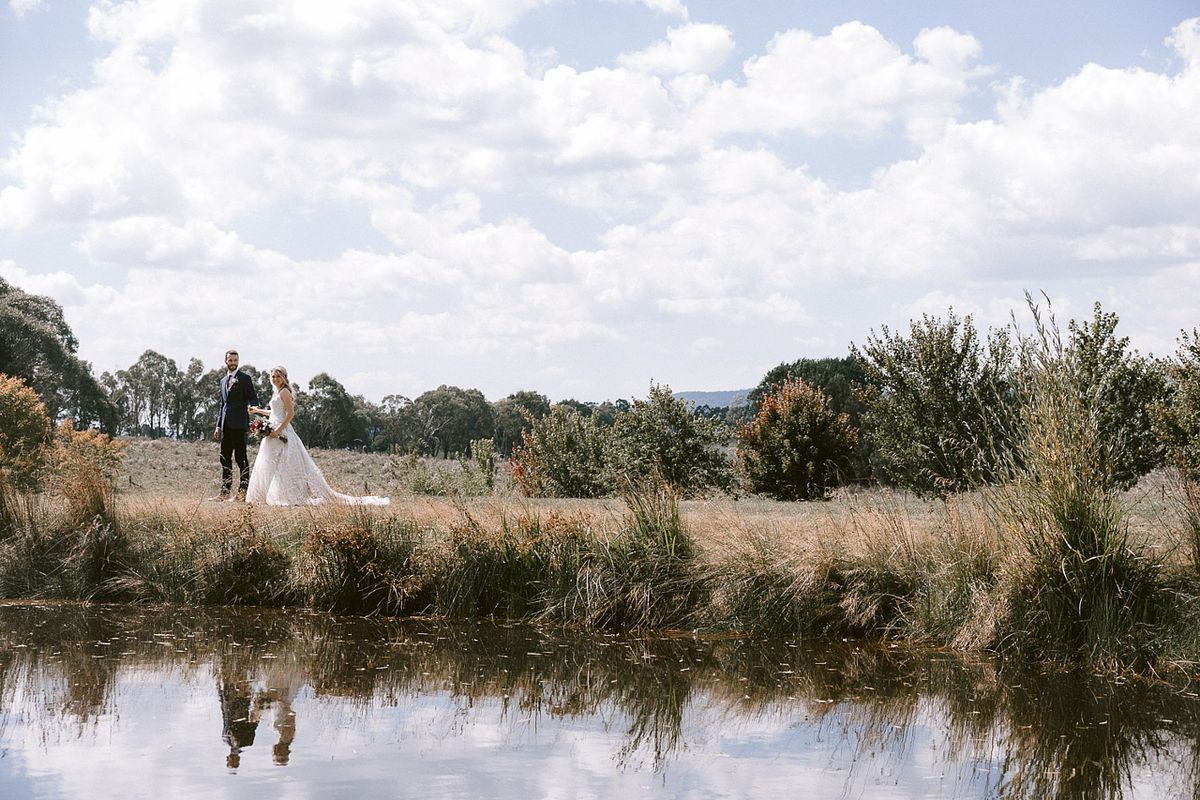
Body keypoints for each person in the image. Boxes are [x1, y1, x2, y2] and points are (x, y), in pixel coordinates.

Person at [245, 366, 389, 506]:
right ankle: (263, 496)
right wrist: (258, 411)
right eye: (273, 376)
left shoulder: (285, 392)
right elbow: (275, 413)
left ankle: (289, 495)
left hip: (281, 432)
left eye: (278, 376)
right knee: (269, 463)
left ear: (284, 378)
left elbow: (290, 414)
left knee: (284, 463)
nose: (275, 379)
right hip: (272, 431)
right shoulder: (276, 393)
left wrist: (278, 430)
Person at [214, 349, 258, 501]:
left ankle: (242, 493)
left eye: (235, 360)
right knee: (224, 458)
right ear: (226, 361)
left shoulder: (244, 379)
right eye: (230, 360)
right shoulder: (222, 381)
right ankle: (224, 493)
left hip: (239, 425)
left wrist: (253, 408)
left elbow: (253, 397)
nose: (233, 363)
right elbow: (222, 405)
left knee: (241, 458)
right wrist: (218, 426)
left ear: (238, 361)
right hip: (225, 426)